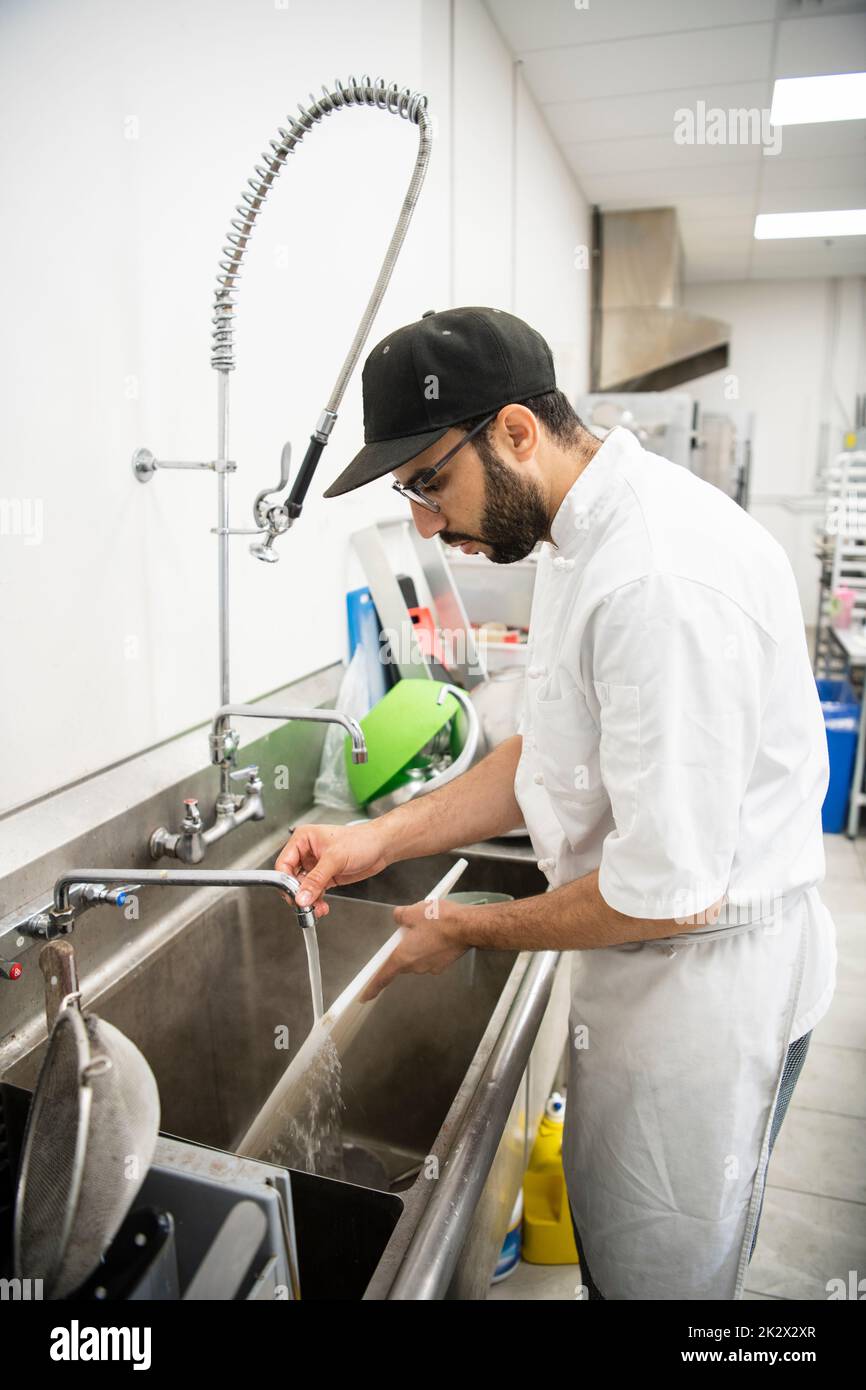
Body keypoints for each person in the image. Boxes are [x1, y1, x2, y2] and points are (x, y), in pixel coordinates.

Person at [276, 306, 837, 1300]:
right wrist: (377, 838)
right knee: (615, 1253)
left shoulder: (656, 577)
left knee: (661, 1277)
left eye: (425, 483)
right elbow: (554, 753)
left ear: (514, 432)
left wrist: (461, 925)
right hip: (649, 968)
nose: (421, 522)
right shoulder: (585, 538)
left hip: (704, 998)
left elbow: (667, 891)